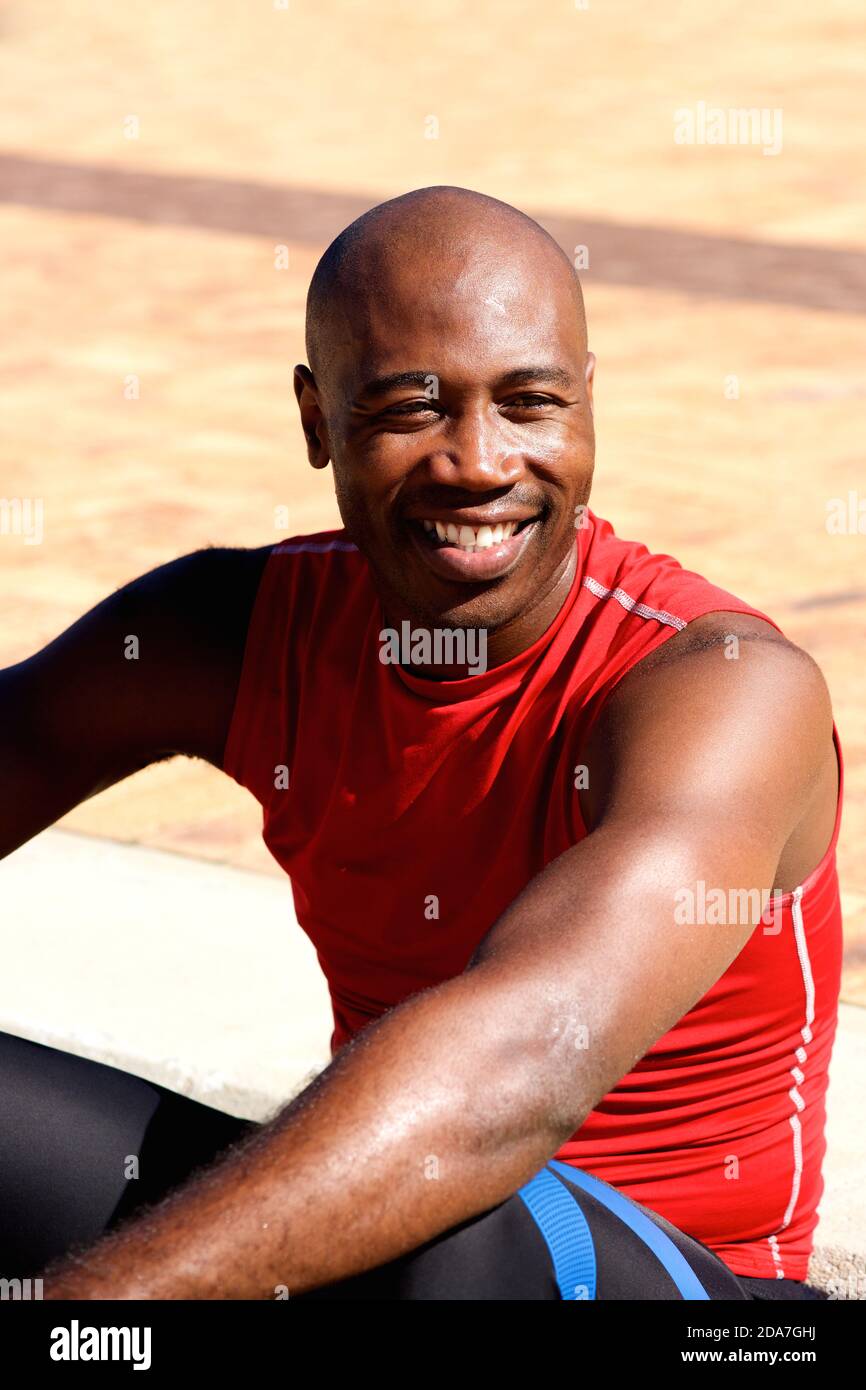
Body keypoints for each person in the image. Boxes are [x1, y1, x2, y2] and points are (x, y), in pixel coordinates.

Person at [0, 186, 841, 1300]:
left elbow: (511, 1080)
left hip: (677, 1294)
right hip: (395, 1220)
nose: (479, 464)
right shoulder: (235, 630)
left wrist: (85, 1320)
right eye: (411, 409)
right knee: (375, 1195)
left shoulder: (721, 692)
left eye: (530, 404)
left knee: (443, 1213)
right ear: (315, 420)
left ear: (585, 406)